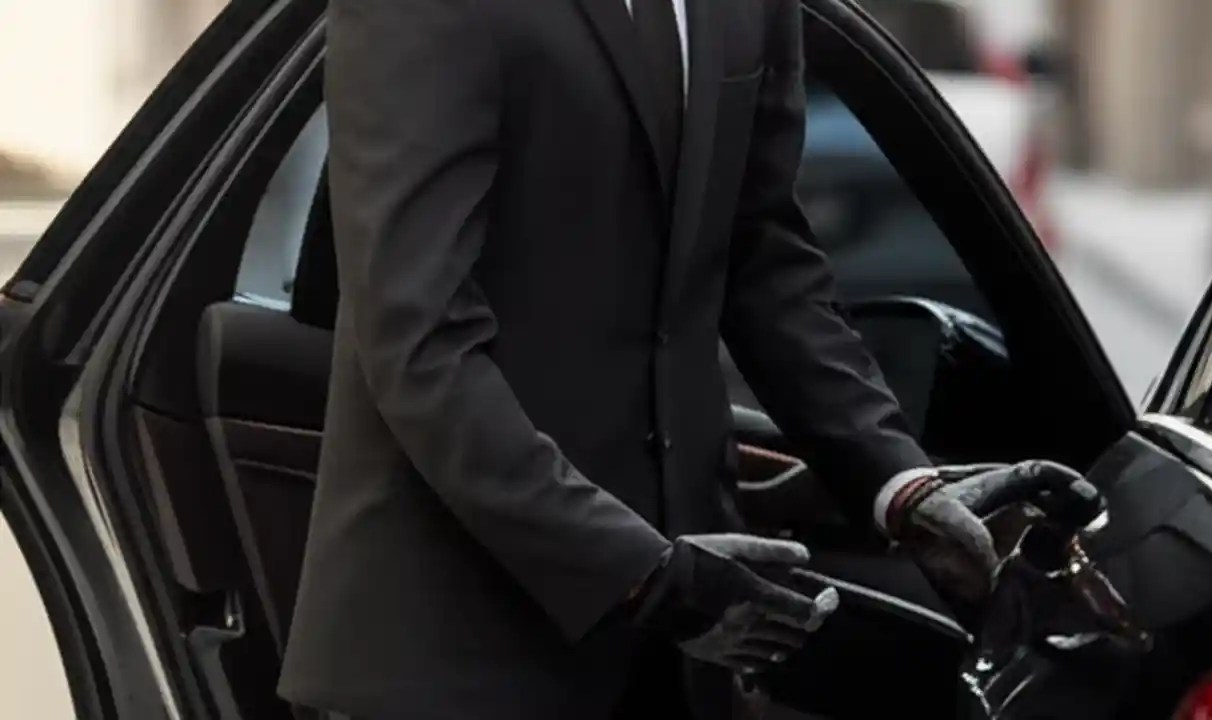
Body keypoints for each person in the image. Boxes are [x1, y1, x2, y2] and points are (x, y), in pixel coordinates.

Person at [277, 0, 1091, 718]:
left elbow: (761, 253)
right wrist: (638, 571)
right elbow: (418, 346)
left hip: (681, 648)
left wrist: (900, 483)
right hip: (457, 651)